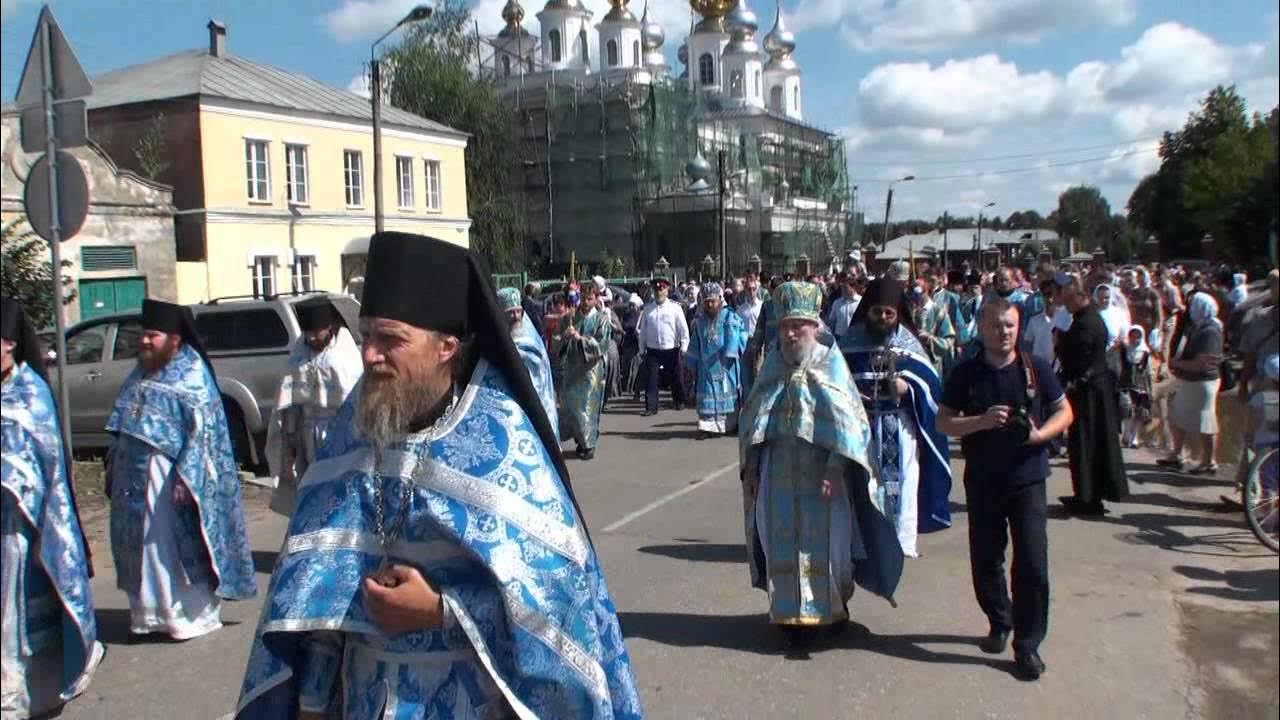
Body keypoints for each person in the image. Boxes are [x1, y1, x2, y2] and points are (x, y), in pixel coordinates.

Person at [235, 232, 642, 719]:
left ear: (447, 346)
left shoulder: (501, 439)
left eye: (390, 340)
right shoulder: (355, 429)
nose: (369, 356)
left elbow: (560, 609)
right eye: (366, 337)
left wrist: (439, 612)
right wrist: (311, 704)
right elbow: (317, 600)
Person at [738, 281, 903, 650]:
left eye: (798, 325)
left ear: (815, 327)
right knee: (779, 541)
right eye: (784, 326)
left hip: (822, 475)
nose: (791, 332)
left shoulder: (830, 364)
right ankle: (787, 614)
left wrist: (834, 468)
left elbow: (850, 424)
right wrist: (751, 469)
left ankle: (830, 610)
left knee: (830, 544)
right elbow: (753, 420)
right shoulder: (773, 366)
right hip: (778, 473)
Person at [937, 298, 1072, 682]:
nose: (1005, 332)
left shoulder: (1035, 368)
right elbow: (943, 422)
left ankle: (1028, 645)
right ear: (982, 328)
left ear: (1018, 327)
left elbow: (1065, 411)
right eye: (997, 326)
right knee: (986, 558)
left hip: (1028, 478)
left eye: (1010, 325)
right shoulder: (967, 372)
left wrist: (1039, 434)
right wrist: (980, 421)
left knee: (1032, 561)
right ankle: (1000, 619)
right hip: (983, 478)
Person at [106, 299, 256, 640]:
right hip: (135, 482)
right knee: (143, 547)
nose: (145, 342)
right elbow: (121, 420)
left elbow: (206, 434)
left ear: (175, 339)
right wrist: (114, 461)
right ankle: (149, 616)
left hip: (171, 478)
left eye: (153, 336)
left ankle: (187, 616)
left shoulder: (192, 374)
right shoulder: (141, 372)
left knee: (170, 548)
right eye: (143, 335)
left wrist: (188, 480)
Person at [2, 298, 103, 719]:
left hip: (18, 532)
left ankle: (17, 698)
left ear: (7, 344)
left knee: (12, 624)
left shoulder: (31, 397)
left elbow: (37, 472)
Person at [839, 278, 952, 558]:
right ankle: (863, 545)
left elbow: (931, 385)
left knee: (902, 482)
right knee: (861, 486)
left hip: (899, 427)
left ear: (897, 313)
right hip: (860, 428)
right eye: (877, 312)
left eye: (889, 313)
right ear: (867, 311)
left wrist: (908, 388)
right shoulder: (850, 343)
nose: (883, 318)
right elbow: (835, 383)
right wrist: (852, 398)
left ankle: (901, 544)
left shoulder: (908, 342)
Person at [265, 297, 363, 517]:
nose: (311, 338)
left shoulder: (345, 356)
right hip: (308, 435)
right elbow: (289, 405)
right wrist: (287, 453)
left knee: (339, 490)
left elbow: (355, 402)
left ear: (330, 327)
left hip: (340, 434)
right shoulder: (299, 355)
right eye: (307, 333)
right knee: (310, 490)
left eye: (316, 332)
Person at [1057, 278, 1129, 514]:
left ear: (1081, 297)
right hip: (1091, 389)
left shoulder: (1088, 322)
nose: (1066, 306)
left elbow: (1080, 353)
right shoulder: (1087, 319)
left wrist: (1061, 342)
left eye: (1069, 301)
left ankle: (1088, 497)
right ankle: (1086, 494)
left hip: (1089, 391)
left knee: (1087, 443)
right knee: (1087, 442)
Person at [1159, 293, 1224, 475]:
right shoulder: (1200, 326)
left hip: (1203, 382)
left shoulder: (1210, 330)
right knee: (1177, 415)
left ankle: (1209, 461)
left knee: (1206, 422)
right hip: (1189, 380)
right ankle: (1178, 454)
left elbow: (1201, 363)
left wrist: (1175, 364)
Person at [498, 286, 559, 440]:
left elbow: (535, 359)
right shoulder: (502, 334)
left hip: (535, 393)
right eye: (510, 312)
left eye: (518, 311)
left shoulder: (529, 335)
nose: (516, 316)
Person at [560, 283, 612, 461]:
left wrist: (580, 339)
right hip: (573, 370)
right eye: (583, 298)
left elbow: (601, 345)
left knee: (587, 409)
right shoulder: (571, 317)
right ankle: (580, 441)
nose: (585, 302)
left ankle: (589, 445)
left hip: (591, 372)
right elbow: (557, 341)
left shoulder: (602, 320)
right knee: (572, 408)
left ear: (597, 298)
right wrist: (565, 337)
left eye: (590, 299)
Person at [688, 282, 747, 437]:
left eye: (712, 301)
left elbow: (738, 334)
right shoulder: (700, 321)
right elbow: (696, 342)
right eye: (707, 302)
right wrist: (691, 361)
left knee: (727, 393)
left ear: (720, 300)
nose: (709, 305)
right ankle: (707, 428)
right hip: (705, 365)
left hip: (725, 364)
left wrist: (731, 352)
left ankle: (731, 425)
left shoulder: (730, 315)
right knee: (707, 394)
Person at [637, 277, 690, 417]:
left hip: (671, 348)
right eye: (656, 289)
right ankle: (651, 407)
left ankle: (679, 400)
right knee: (652, 379)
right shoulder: (648, 309)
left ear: (667, 290)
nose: (659, 291)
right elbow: (643, 331)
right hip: (653, 349)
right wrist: (641, 348)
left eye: (662, 289)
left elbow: (683, 329)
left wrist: (684, 347)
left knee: (676, 376)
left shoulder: (675, 308)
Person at [909, 279, 956, 378]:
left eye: (918, 294)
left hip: (932, 364)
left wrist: (929, 339)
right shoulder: (910, 311)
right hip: (913, 364)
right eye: (913, 295)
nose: (916, 299)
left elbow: (949, 341)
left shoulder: (939, 312)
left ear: (926, 291)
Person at [1119, 325, 1154, 449]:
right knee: (1127, 411)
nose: (1135, 339)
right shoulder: (1124, 351)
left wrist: (1150, 390)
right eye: (1133, 336)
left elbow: (1149, 372)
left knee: (1138, 413)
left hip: (1140, 387)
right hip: (1125, 386)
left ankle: (1135, 438)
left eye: (1138, 336)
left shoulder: (1145, 353)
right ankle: (1126, 435)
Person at [826, 273, 861, 343]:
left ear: (853, 288)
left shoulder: (861, 302)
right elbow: (832, 321)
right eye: (841, 288)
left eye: (845, 288)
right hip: (839, 337)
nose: (842, 290)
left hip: (856, 338)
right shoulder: (837, 303)